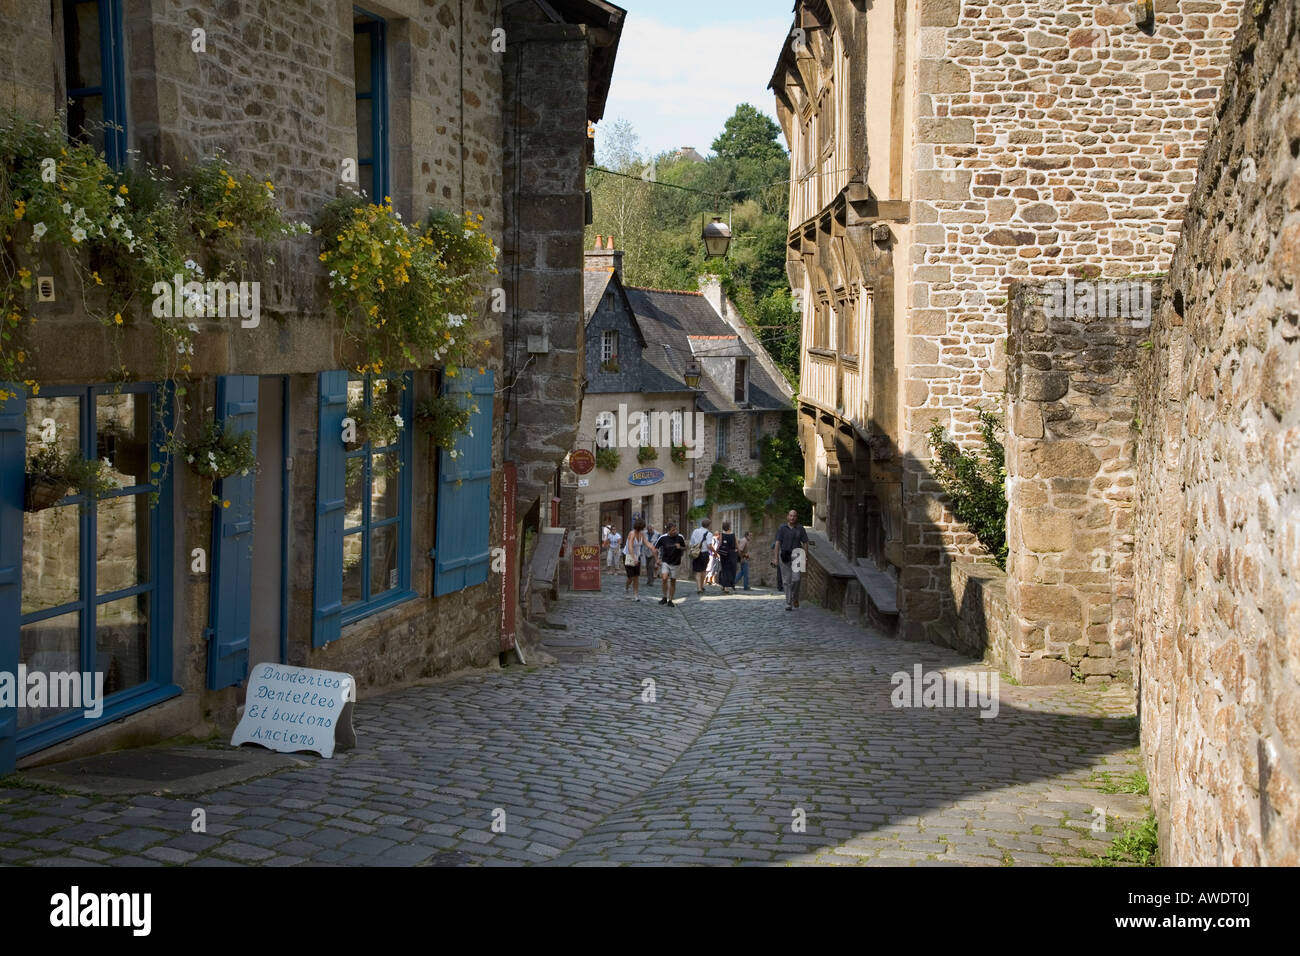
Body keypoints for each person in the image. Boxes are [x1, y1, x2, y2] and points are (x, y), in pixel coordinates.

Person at [772, 509, 812, 611]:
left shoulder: (800, 528)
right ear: (787, 517)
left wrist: (805, 557)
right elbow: (777, 543)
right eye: (790, 515)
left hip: (798, 555)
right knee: (786, 581)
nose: (792, 518)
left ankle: (795, 598)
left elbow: (805, 543)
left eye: (794, 516)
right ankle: (788, 603)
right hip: (784, 555)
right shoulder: (782, 528)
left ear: (796, 517)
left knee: (797, 579)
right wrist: (775, 558)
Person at [654, 521, 687, 606]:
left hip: (676, 562)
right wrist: (657, 559)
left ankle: (670, 600)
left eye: (675, 529)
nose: (675, 531)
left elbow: (685, 548)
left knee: (673, 580)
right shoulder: (662, 538)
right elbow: (655, 549)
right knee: (664, 578)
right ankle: (664, 597)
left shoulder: (680, 537)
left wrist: (680, 547)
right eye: (673, 530)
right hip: (665, 561)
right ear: (668, 531)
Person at [623, 518, 651, 601]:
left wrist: (653, 547)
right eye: (642, 527)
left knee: (636, 577)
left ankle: (636, 595)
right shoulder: (632, 534)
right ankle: (626, 588)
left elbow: (646, 543)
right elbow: (630, 547)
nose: (642, 529)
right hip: (628, 556)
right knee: (630, 577)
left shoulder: (641, 534)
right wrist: (634, 558)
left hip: (637, 556)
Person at [689, 518, 714, 596]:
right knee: (703, 570)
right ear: (709, 525)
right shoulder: (709, 534)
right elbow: (709, 545)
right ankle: (702, 586)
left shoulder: (695, 531)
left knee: (697, 571)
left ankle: (699, 588)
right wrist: (715, 552)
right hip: (704, 553)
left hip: (696, 553)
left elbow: (691, 543)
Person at [716, 522, 738, 594]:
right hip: (732, 554)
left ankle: (724, 585)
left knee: (725, 569)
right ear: (729, 527)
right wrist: (738, 551)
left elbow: (720, 544)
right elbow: (736, 544)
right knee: (731, 569)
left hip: (724, 553)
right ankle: (726, 587)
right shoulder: (733, 535)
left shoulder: (722, 535)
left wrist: (716, 551)